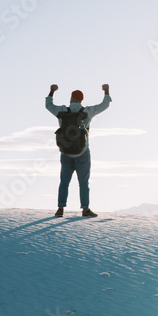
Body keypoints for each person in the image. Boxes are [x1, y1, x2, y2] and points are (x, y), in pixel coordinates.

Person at [46, 83, 112, 217]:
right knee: (83, 182)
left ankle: (60, 208)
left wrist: (52, 91)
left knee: (64, 181)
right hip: (83, 153)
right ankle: (85, 209)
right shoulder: (87, 111)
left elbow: (48, 105)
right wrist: (106, 91)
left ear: (71, 98)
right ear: (81, 100)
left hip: (65, 153)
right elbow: (104, 105)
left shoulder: (62, 111)